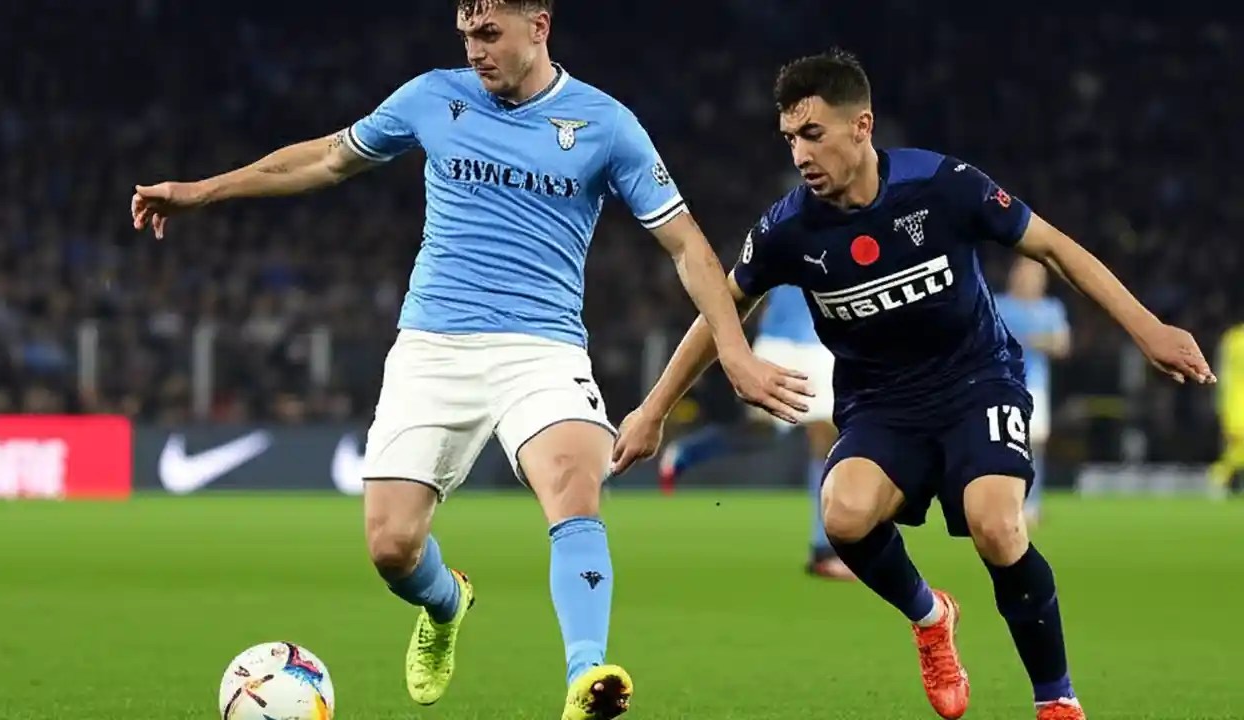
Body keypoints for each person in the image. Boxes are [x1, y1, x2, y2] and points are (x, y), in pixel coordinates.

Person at [129, 2, 808, 718]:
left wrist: (734, 351)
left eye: (489, 34)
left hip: (540, 348)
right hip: (433, 345)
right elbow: (327, 158)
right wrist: (204, 190)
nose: (475, 50)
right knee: (392, 547)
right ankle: (447, 601)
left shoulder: (605, 124)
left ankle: (588, 677)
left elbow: (687, 246)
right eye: (466, 36)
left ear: (539, 26)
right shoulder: (433, 96)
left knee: (575, 482)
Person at [611, 49, 1216, 720]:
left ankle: (1056, 699)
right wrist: (652, 409)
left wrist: (1147, 327)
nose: (799, 154)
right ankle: (930, 618)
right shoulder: (787, 230)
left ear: (862, 126)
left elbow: (1053, 247)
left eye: (813, 134)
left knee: (996, 525)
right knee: (842, 513)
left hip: (977, 383)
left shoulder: (942, 185)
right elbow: (719, 309)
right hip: (882, 407)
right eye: (789, 139)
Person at [657, 284, 854, 579]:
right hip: (791, 341)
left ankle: (822, 550)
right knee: (779, 433)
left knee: (805, 435)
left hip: (805, 342)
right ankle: (686, 452)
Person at [995, 258, 1071, 524]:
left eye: (1037, 277)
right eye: (1026, 275)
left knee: (1034, 447)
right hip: (1000, 386)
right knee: (1001, 447)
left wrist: (1028, 340)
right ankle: (1002, 503)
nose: (1032, 281)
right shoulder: (998, 305)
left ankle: (1031, 504)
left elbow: (1062, 345)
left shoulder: (1051, 308)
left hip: (1035, 386)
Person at [1210, 321, 1244, 497]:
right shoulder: (1233, 339)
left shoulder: (1231, 338)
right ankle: (1220, 477)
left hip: (1232, 401)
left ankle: (1221, 477)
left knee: (1235, 448)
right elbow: (1224, 373)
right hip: (1235, 402)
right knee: (1237, 445)